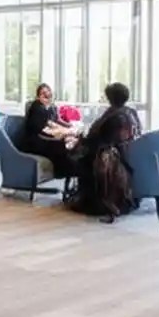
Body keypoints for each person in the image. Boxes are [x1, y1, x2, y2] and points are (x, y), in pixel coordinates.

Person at [67, 83, 143, 221]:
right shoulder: (131, 112)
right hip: (127, 156)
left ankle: (87, 199)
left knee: (77, 157)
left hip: (109, 159)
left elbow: (94, 137)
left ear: (110, 98)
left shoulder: (112, 116)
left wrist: (79, 141)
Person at [19, 83, 74, 177]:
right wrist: (61, 134)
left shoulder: (52, 106)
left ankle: (67, 172)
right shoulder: (37, 108)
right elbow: (44, 127)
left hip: (48, 135)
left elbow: (57, 120)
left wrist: (70, 126)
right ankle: (61, 173)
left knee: (69, 142)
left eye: (48, 91)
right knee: (60, 145)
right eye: (43, 93)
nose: (46, 94)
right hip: (37, 140)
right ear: (38, 97)